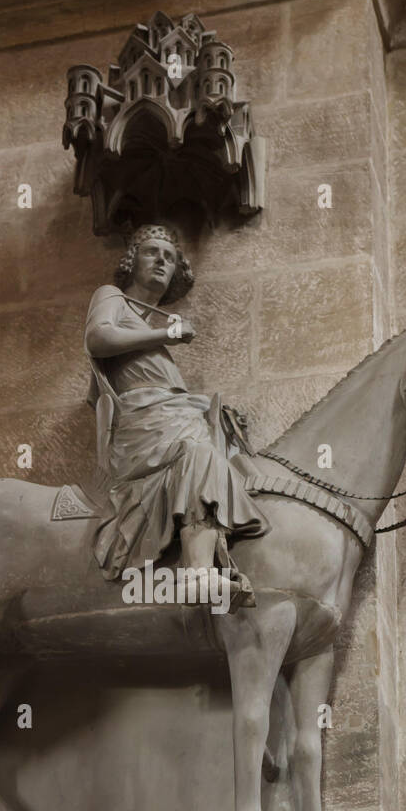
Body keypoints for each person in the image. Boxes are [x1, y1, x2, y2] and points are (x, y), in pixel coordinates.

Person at [84, 223, 267, 609]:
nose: (161, 261)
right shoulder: (112, 297)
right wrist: (166, 335)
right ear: (133, 260)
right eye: (152, 252)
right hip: (141, 426)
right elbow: (98, 339)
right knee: (199, 456)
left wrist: (206, 408)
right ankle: (197, 573)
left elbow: (165, 393)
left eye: (169, 257)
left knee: (228, 461)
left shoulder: (148, 327)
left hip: (165, 418)